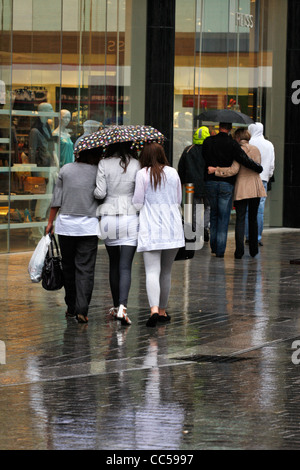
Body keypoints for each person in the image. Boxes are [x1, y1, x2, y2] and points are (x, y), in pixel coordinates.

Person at [45, 148, 101, 324]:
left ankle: (71, 307)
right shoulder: (98, 171)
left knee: (68, 267)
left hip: (66, 227)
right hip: (89, 227)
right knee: (85, 269)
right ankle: (82, 310)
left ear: (78, 154)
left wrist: (50, 222)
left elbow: (56, 199)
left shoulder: (66, 169)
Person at [132, 142, 185, 327]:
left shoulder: (142, 174)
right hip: (173, 229)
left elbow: (138, 202)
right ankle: (162, 311)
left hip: (151, 229)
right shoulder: (173, 172)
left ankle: (153, 309)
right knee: (167, 272)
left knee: (152, 271)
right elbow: (178, 199)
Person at [94, 142, 140, 326]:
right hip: (130, 216)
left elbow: (100, 193)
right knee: (125, 266)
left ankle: (115, 307)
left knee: (114, 264)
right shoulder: (136, 164)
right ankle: (123, 308)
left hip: (109, 216)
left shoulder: (104, 163)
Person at [202, 122, 263, 258]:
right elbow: (250, 163)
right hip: (240, 185)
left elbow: (206, 158)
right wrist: (258, 168)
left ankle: (223, 247)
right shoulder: (240, 146)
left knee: (218, 214)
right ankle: (227, 250)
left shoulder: (210, 141)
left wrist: (214, 169)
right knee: (232, 217)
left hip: (223, 183)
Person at [29, 102, 59, 241]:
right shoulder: (35, 131)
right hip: (42, 168)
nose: (52, 111)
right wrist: (33, 170)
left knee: (49, 199)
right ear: (44, 111)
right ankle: (36, 233)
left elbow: (50, 147)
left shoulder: (46, 127)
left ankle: (43, 229)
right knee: (43, 200)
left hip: (50, 167)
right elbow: (31, 152)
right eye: (50, 109)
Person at [178, 126, 210, 241]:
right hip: (207, 183)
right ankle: (204, 228)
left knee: (193, 208)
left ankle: (194, 231)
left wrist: (181, 183)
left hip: (191, 184)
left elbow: (181, 168)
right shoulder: (210, 150)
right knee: (209, 207)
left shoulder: (188, 150)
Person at [245, 122, 275, 246]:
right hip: (263, 179)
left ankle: (248, 236)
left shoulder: (249, 144)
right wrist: (267, 176)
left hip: (249, 179)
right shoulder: (269, 145)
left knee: (248, 209)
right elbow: (272, 165)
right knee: (259, 210)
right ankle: (257, 237)